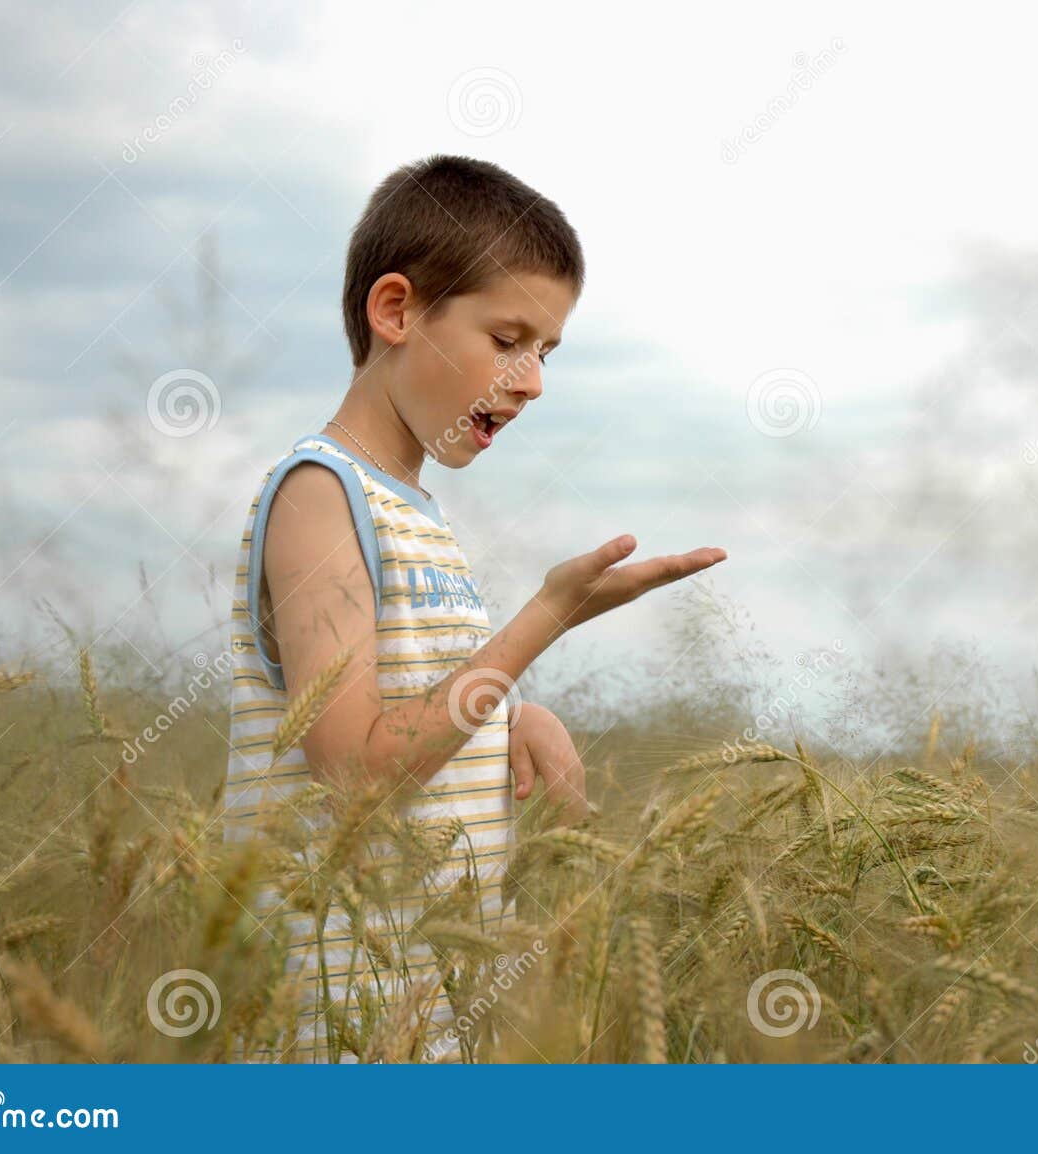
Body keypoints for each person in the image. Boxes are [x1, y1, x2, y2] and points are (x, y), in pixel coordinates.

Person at [218, 154, 728, 1062]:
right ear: (398, 311)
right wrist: (547, 619)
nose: (533, 381)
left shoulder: (414, 514)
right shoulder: (320, 495)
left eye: (547, 353)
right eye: (507, 341)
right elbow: (356, 768)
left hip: (422, 1016)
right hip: (323, 1023)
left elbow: (417, 697)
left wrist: (514, 720)